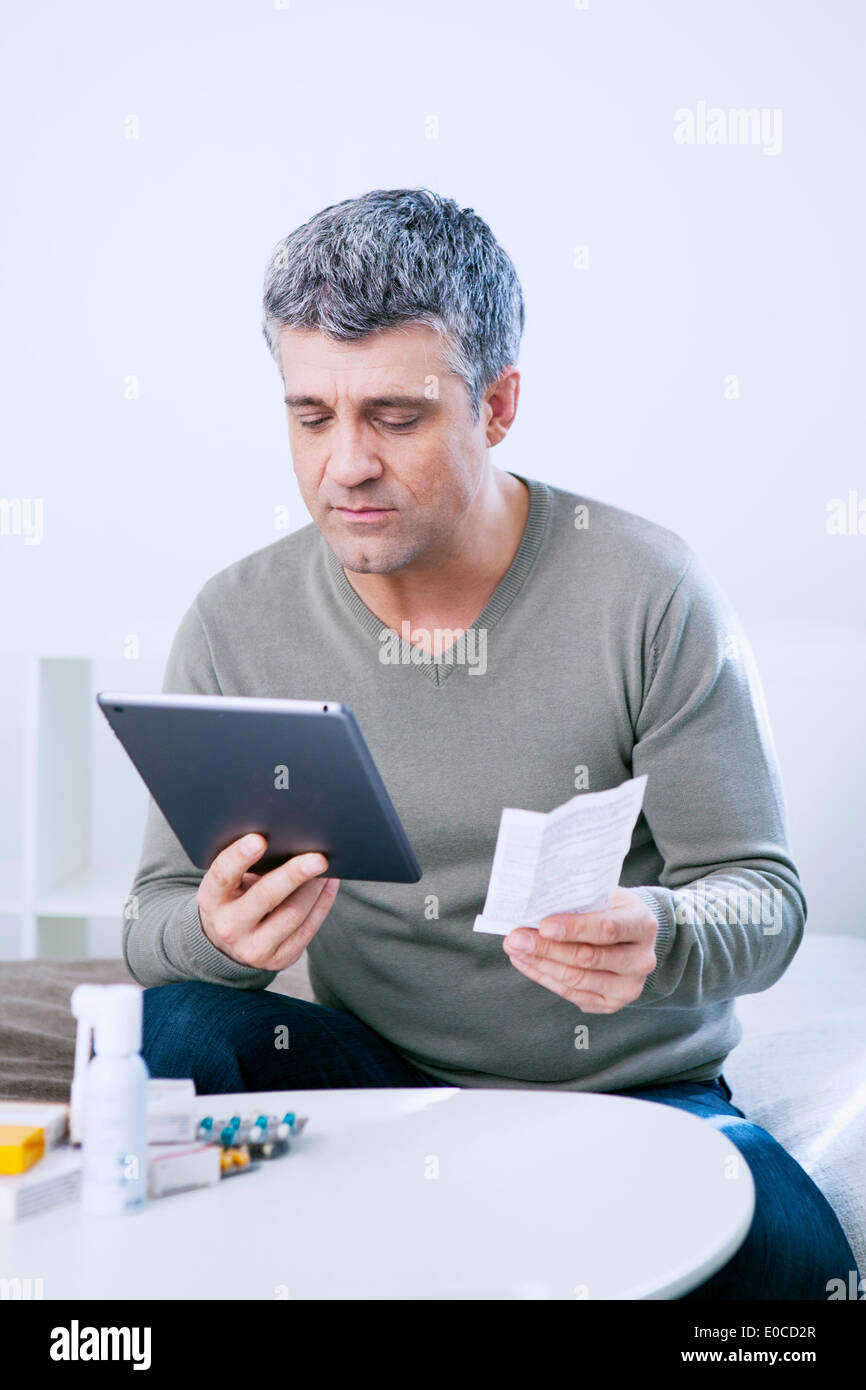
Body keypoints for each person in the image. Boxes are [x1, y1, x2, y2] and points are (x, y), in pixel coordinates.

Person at [128, 187, 858, 1299]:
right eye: (310, 415)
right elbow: (150, 921)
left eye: (395, 416)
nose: (344, 467)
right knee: (178, 1020)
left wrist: (657, 931)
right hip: (376, 1086)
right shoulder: (236, 620)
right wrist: (222, 936)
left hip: (631, 1096)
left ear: (498, 403)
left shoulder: (647, 593)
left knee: (797, 1286)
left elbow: (761, 897)